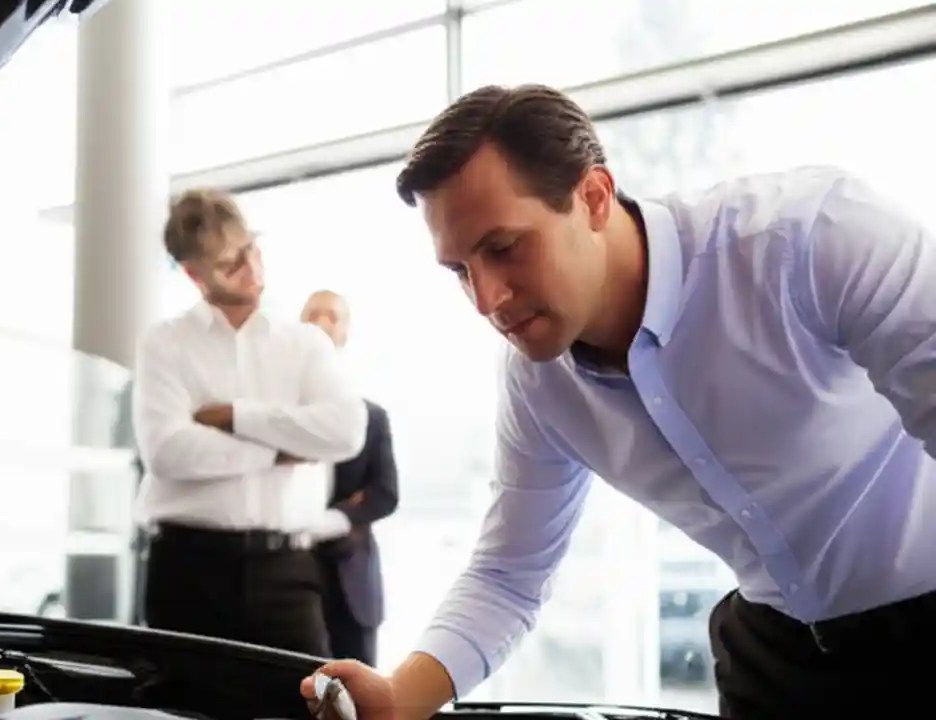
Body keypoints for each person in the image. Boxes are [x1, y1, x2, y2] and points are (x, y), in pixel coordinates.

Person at [299, 83, 936, 719]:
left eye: (503, 248)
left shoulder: (808, 238)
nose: (488, 298)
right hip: (772, 657)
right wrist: (398, 701)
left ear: (594, 197)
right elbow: (509, 573)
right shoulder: (537, 381)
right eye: (460, 270)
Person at [132, 188, 367, 657]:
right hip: (185, 568)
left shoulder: (304, 343)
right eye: (229, 264)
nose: (252, 269)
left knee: (305, 707)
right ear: (195, 275)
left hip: (286, 570)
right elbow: (167, 451)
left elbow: (345, 431)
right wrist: (281, 449)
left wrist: (237, 416)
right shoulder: (165, 343)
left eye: (250, 249)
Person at [300, 289, 400, 667]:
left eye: (333, 316)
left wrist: (335, 518)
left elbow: (385, 494)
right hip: (289, 579)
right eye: (314, 314)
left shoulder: (371, 417)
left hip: (352, 583)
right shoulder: (277, 416)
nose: (323, 323)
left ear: (346, 332)